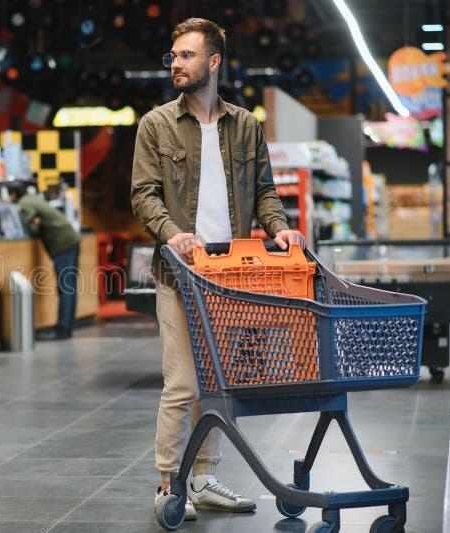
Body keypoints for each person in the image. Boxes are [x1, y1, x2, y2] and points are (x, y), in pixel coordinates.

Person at [131, 17, 307, 521]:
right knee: (183, 382)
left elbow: (265, 192)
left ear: (213, 62)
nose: (175, 64)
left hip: (232, 277)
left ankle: (203, 477)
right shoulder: (156, 125)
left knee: (218, 383)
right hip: (179, 274)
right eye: (172, 56)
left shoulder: (246, 126)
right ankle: (170, 485)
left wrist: (279, 228)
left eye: (186, 55)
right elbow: (144, 194)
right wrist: (171, 233)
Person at [6, 181, 81, 341]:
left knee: (66, 287)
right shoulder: (31, 198)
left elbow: (26, 227)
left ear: (13, 194)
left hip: (62, 243)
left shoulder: (24, 203)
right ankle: (66, 327)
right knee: (69, 287)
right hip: (70, 239)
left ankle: (62, 329)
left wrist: (35, 226)